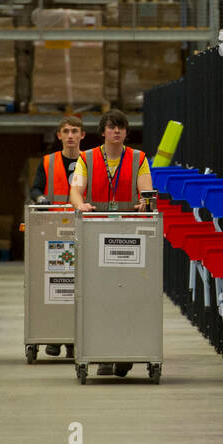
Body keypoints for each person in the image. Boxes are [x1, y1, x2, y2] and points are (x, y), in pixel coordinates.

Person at [69, 110, 154, 376]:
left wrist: (145, 203)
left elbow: (146, 190)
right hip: (96, 232)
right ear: (103, 132)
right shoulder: (87, 158)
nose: (116, 131)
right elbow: (75, 189)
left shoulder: (138, 158)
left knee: (129, 294)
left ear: (126, 133)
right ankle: (103, 354)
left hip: (129, 234)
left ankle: (124, 352)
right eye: (111, 127)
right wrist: (80, 204)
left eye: (121, 127)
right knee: (98, 294)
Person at [29, 116, 84, 359]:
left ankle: (73, 340)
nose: (70, 135)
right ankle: (54, 336)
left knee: (80, 285)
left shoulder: (90, 161)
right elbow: (36, 188)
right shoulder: (48, 162)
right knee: (55, 283)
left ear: (82, 135)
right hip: (54, 229)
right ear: (59, 136)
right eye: (66, 131)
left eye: (75, 131)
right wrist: (40, 199)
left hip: (83, 228)